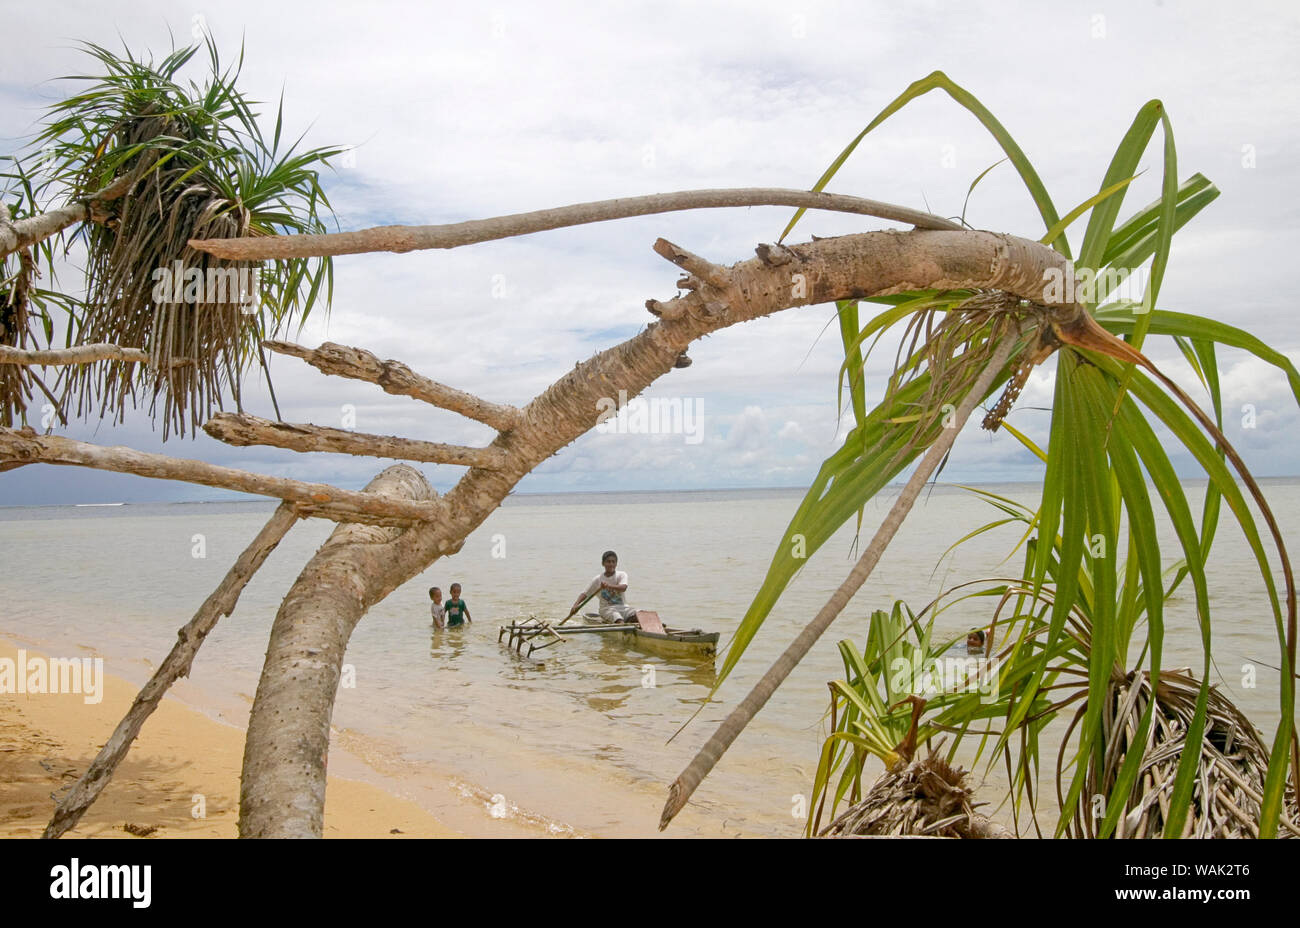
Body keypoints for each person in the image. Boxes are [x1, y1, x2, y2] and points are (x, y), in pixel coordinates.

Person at [570, 550, 638, 624]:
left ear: (616, 563)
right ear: (603, 563)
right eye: (608, 562)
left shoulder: (621, 575)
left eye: (613, 562)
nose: (611, 564)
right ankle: (622, 628)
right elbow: (585, 594)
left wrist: (609, 586)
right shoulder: (598, 579)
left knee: (639, 615)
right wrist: (575, 605)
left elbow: (623, 588)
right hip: (606, 609)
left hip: (623, 608)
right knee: (618, 618)